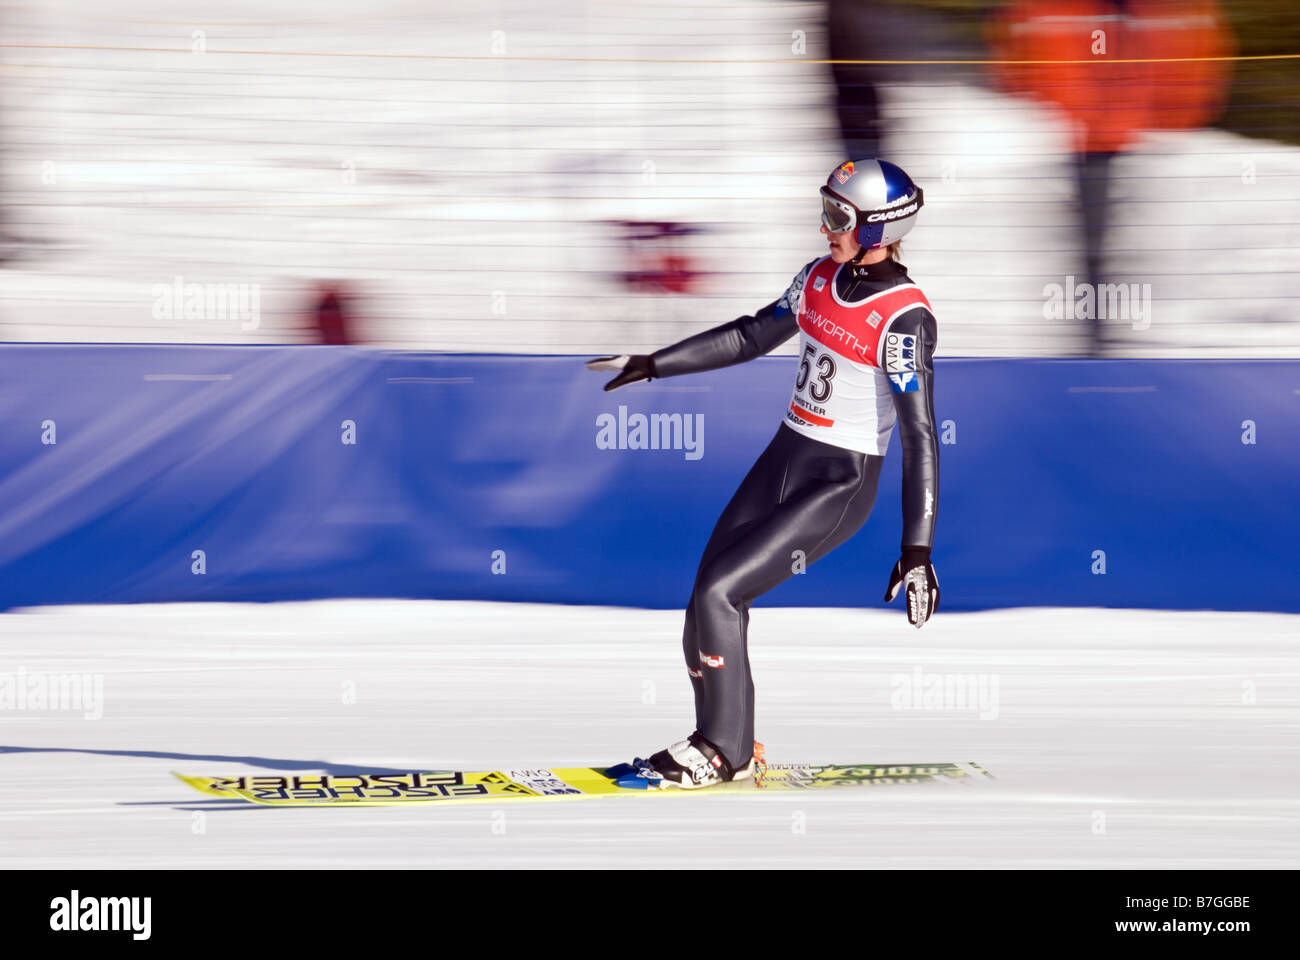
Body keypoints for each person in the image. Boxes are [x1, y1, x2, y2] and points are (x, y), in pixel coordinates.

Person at [587, 159, 942, 790]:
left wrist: (916, 550)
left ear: (877, 230)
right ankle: (723, 739)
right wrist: (654, 364)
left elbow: (918, 434)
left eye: (839, 216)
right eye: (825, 209)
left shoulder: (905, 319)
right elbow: (752, 335)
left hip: (840, 481)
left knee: (724, 590)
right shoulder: (816, 278)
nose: (825, 225)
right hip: (786, 455)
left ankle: (720, 750)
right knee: (705, 593)